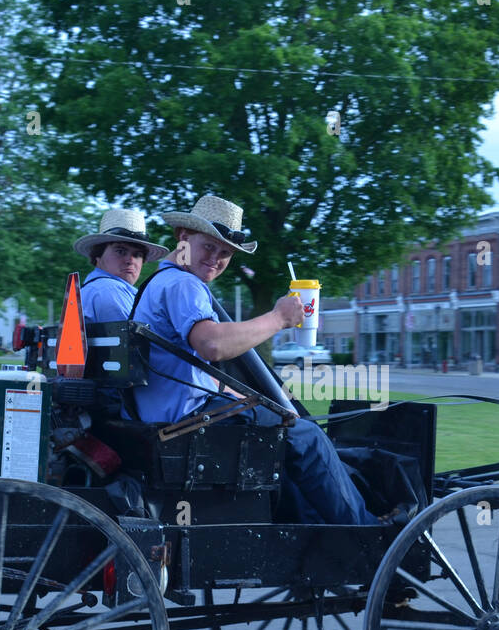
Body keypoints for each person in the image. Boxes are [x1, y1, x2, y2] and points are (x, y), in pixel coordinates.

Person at [130, 194, 381, 526]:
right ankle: (367, 535)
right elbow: (212, 345)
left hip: (163, 417)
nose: (216, 259)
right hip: (181, 423)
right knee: (308, 439)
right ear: (183, 236)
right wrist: (278, 318)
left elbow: (184, 364)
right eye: (209, 247)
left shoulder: (159, 282)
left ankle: (313, 534)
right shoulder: (183, 284)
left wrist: (235, 396)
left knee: (284, 437)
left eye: (226, 253)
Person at [73, 207, 169, 322]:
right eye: (120, 251)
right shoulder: (108, 288)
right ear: (98, 255)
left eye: (138, 254)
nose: (130, 260)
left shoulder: (99, 287)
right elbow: (137, 338)